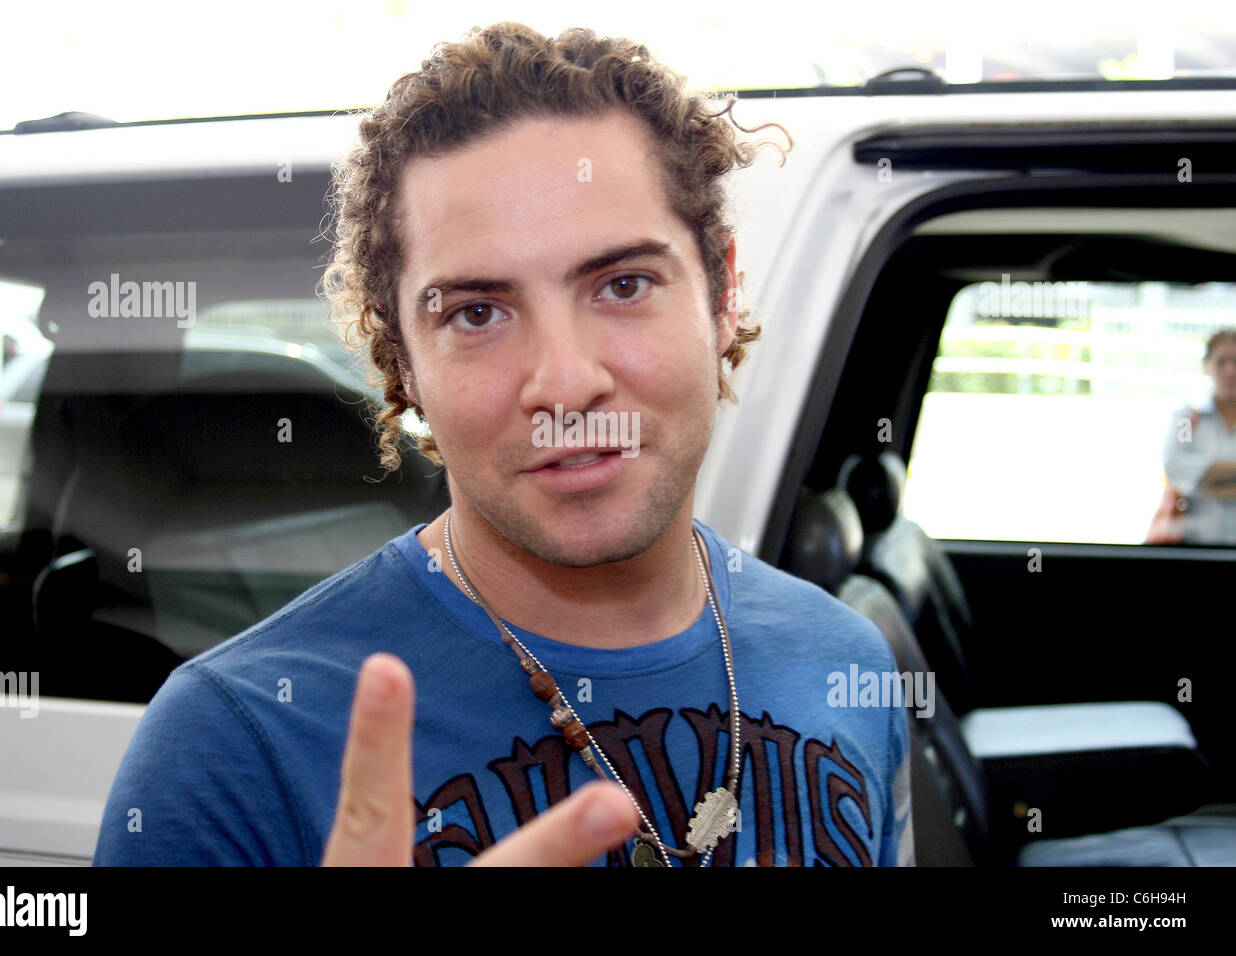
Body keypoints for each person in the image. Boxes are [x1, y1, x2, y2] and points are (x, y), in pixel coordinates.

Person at [93, 21, 914, 867]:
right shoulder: (232, 743)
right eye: (477, 313)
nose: (565, 383)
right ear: (401, 363)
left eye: (624, 285)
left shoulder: (845, 658)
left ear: (723, 293)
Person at [1157, 327, 1236, 545]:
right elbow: (1175, 464)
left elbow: (1188, 472)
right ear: (1207, 366)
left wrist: (1209, 483)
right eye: (1221, 362)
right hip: (1197, 542)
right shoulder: (1188, 420)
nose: (1230, 371)